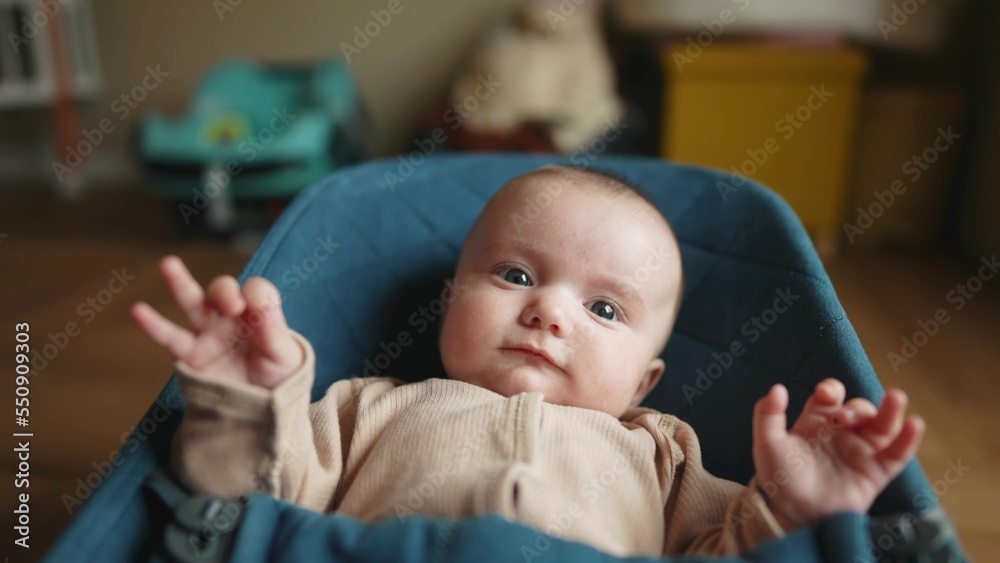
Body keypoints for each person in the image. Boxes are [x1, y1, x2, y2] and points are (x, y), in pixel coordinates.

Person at [131, 165, 925, 557]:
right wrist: (246, 399)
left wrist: (789, 507)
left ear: (644, 381)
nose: (548, 310)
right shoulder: (363, 407)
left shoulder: (661, 453)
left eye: (604, 309)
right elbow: (245, 503)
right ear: (449, 302)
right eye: (515, 275)